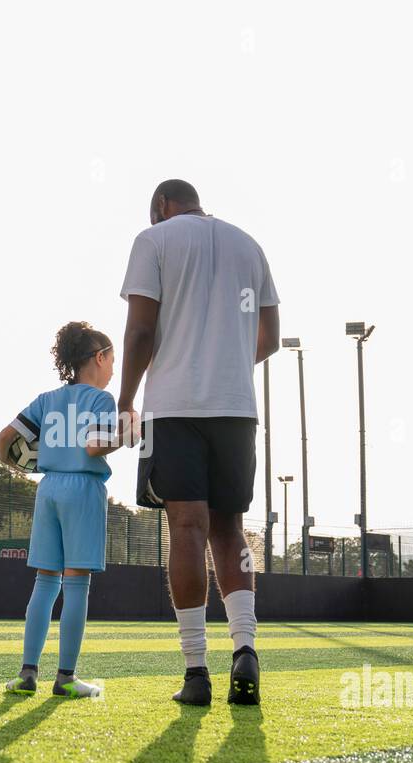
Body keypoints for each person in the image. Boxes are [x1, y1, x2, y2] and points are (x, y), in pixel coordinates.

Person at [117, 179, 280, 706]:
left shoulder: (154, 240)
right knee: (231, 531)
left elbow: (140, 331)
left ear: (162, 206)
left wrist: (125, 400)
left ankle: (196, 672)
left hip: (176, 408)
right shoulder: (249, 244)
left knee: (187, 527)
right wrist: (226, 367)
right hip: (236, 410)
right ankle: (246, 649)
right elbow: (271, 339)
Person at [0, 322, 123, 698]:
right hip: (82, 489)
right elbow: (95, 447)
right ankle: (66, 678)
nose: (113, 369)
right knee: (77, 585)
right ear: (99, 358)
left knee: (45, 582)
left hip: (48, 488)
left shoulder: (46, 399)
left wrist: (18, 466)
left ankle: (26, 673)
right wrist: (129, 436)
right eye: (112, 360)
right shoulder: (103, 400)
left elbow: (5, 439)